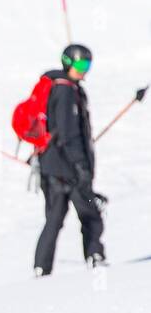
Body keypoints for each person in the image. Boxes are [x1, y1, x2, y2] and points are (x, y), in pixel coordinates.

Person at [33, 44, 105, 275]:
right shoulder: (65, 91)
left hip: (53, 167)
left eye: (88, 65)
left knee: (54, 219)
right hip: (68, 170)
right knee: (90, 213)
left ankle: (41, 268)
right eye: (81, 65)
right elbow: (68, 134)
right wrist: (81, 166)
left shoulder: (62, 87)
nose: (85, 70)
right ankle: (95, 257)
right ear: (68, 63)